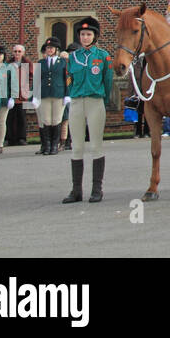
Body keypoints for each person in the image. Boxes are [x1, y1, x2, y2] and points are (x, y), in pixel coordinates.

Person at [63, 16, 113, 204]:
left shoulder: (103, 56)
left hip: (95, 101)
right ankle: (76, 190)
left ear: (95, 36)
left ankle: (96, 188)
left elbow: (107, 81)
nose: (85, 37)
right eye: (82, 34)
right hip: (76, 102)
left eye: (88, 34)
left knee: (96, 145)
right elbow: (69, 79)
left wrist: (104, 99)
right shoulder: (73, 57)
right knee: (76, 146)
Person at [34, 37, 67, 155]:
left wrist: (67, 94)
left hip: (58, 94)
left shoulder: (62, 62)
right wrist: (35, 96)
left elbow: (66, 79)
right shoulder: (41, 63)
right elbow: (37, 80)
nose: (49, 50)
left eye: (52, 48)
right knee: (46, 120)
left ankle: (54, 145)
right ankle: (47, 146)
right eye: (48, 48)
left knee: (56, 120)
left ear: (56, 49)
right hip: (44, 94)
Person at [7, 43, 30, 146]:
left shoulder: (27, 63)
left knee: (22, 117)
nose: (17, 53)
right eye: (15, 51)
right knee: (9, 118)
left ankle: (22, 138)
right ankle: (9, 138)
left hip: (23, 95)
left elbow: (32, 78)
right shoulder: (8, 64)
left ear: (23, 53)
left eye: (19, 51)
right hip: (11, 95)